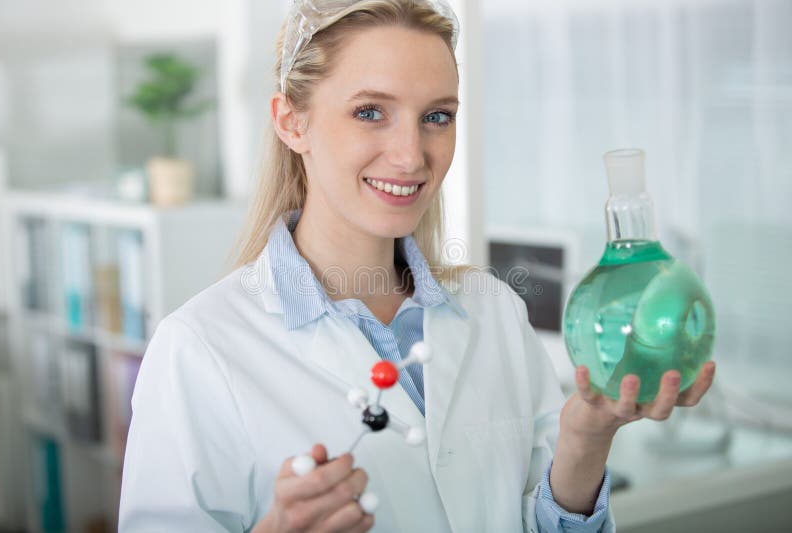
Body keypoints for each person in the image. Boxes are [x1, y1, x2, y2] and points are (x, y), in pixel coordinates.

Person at [118, 1, 716, 532]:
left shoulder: (494, 311)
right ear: (291, 121)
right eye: (370, 112)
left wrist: (585, 441)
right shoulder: (199, 349)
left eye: (437, 116)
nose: (411, 156)